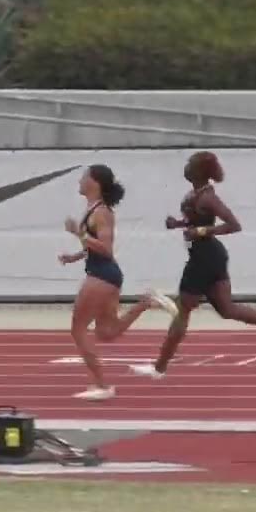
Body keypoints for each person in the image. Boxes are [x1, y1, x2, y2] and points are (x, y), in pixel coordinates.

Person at [130, 152, 256, 380]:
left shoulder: (209, 197)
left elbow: (233, 225)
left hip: (205, 257)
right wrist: (178, 224)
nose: (186, 167)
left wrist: (201, 231)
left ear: (199, 171)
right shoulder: (195, 194)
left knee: (182, 310)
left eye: (190, 164)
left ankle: (159, 368)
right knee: (227, 309)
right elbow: (197, 220)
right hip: (210, 256)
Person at [59, 164, 178, 401]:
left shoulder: (101, 213)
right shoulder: (92, 209)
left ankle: (102, 385)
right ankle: (146, 302)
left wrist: (78, 234)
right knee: (106, 332)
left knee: (78, 329)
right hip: (104, 274)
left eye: (84, 177)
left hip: (102, 275)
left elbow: (106, 248)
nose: (79, 181)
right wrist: (76, 256)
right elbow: (93, 247)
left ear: (95, 183)